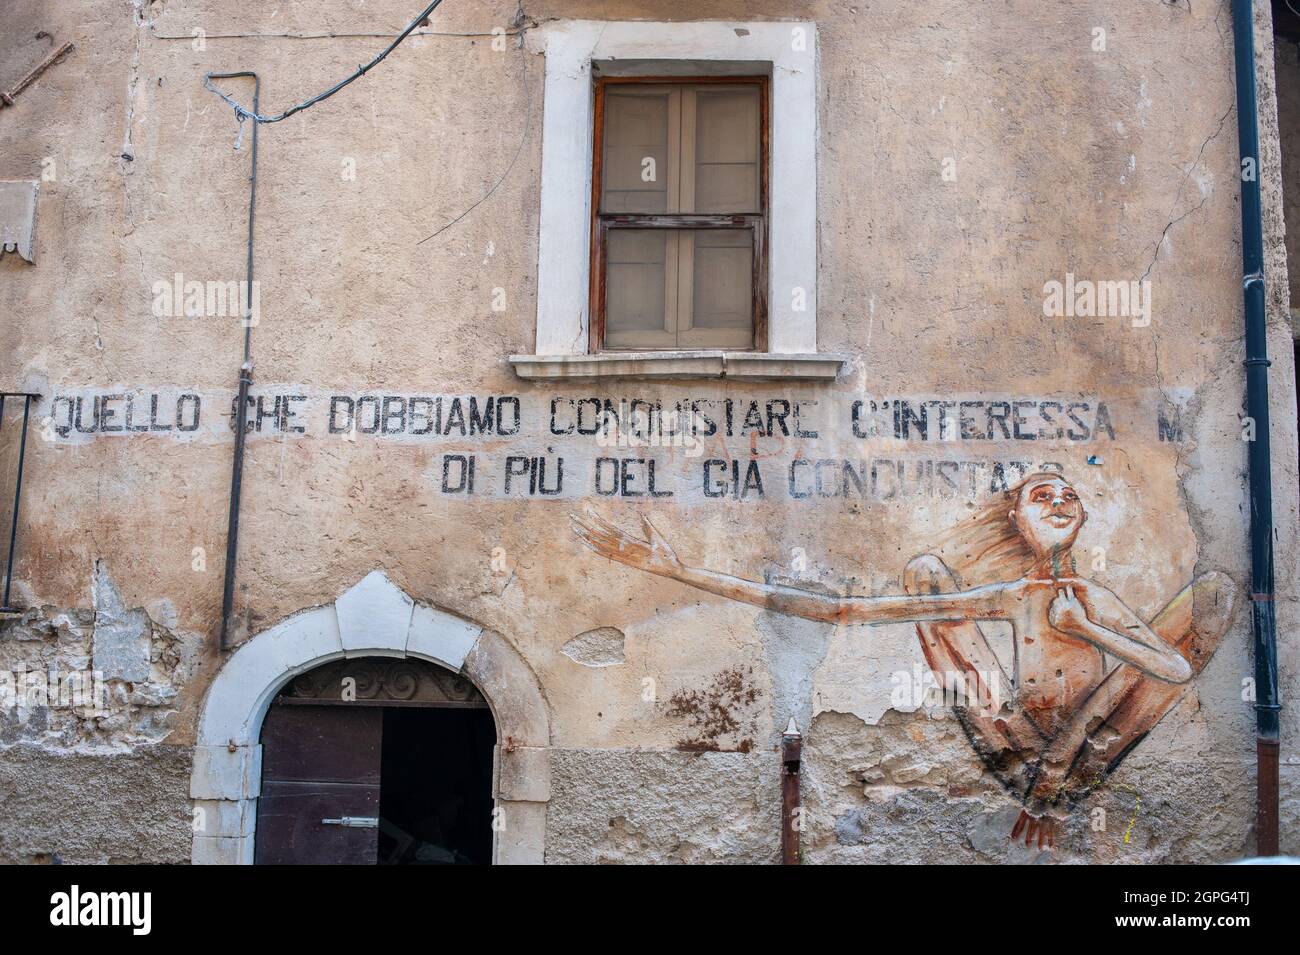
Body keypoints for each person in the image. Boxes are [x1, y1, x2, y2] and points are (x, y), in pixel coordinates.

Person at [571, 471, 1236, 849]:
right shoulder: (1014, 593)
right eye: (1042, 495)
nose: (1059, 503)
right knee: (921, 574)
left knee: (1214, 595)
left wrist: (1090, 627)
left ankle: (1051, 788)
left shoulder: (1092, 597)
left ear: (1084, 515)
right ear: (1018, 519)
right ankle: (1040, 784)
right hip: (1020, 750)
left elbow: (1172, 669)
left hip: (1090, 753)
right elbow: (847, 612)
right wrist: (686, 570)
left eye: (1068, 496)